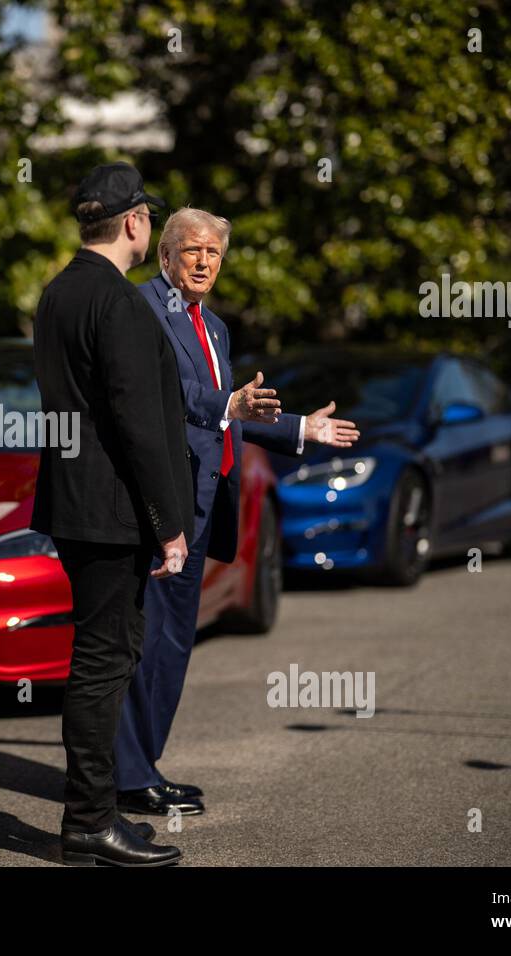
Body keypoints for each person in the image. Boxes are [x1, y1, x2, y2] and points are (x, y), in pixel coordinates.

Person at [115, 207, 359, 817]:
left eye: (214, 254)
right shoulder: (142, 311)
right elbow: (181, 397)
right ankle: (126, 775)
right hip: (161, 505)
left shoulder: (215, 328)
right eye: (192, 250)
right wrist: (230, 402)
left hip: (206, 502)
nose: (203, 262)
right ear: (165, 255)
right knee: (144, 645)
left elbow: (233, 411)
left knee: (173, 646)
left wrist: (303, 427)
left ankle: (146, 765)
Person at [31, 162, 196, 866]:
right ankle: (89, 822)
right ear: (134, 223)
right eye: (149, 218)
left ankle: (90, 818)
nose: (150, 227)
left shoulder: (57, 293)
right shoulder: (119, 303)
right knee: (105, 660)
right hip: (110, 511)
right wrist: (169, 522)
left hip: (74, 506)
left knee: (98, 656)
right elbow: (138, 424)